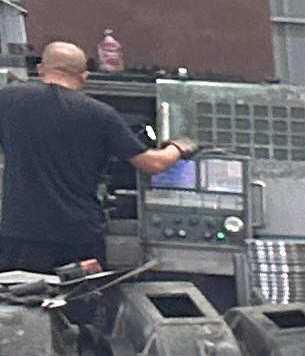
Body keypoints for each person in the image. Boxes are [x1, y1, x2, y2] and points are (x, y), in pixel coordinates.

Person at [0, 41, 191, 270]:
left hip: (19, 234)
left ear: (41, 69)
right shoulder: (100, 114)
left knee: (20, 291)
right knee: (79, 292)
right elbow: (153, 164)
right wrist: (177, 147)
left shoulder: (7, 100)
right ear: (84, 77)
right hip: (77, 236)